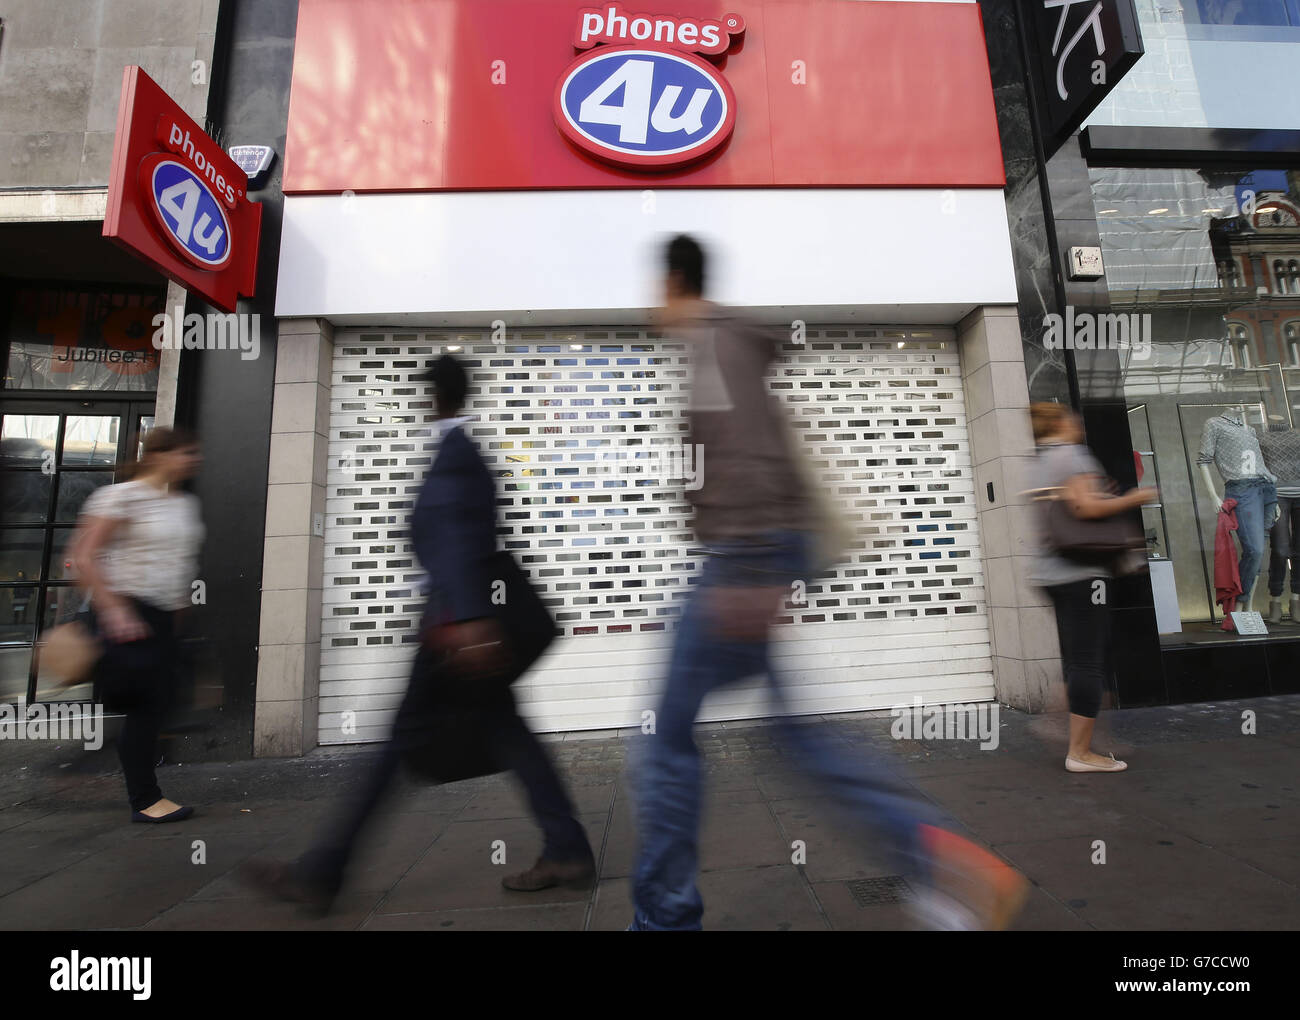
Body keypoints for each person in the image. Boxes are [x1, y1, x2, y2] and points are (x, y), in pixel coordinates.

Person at [628, 234, 1027, 931]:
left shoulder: (712, 346)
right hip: (753, 556)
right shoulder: (728, 345)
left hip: (739, 559)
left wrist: (751, 571)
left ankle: (663, 919)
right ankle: (942, 859)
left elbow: (745, 454)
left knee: (664, 740)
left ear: (672, 285)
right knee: (801, 740)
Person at [243, 354, 594, 912]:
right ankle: (568, 848)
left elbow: (458, 539)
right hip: (465, 626)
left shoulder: (455, 457)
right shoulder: (463, 452)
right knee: (510, 734)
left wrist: (467, 618)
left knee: (396, 750)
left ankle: (320, 873)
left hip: (454, 633)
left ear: (435, 396)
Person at [68, 427, 205, 822]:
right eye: (187, 452)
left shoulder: (182, 503)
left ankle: (136, 787)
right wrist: (115, 610)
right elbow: (84, 556)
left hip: (163, 615)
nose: (194, 460)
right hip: (129, 611)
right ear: (160, 455)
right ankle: (145, 800)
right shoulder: (121, 497)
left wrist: (178, 612)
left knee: (160, 702)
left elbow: (178, 561)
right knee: (147, 706)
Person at [1028, 402, 1158, 773]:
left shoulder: (1038, 462)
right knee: (1089, 661)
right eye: (1072, 418)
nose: (1078, 422)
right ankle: (1080, 752)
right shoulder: (1073, 456)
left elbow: (1061, 513)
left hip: (1051, 573)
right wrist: (1137, 496)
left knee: (1078, 657)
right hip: (1084, 573)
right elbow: (1085, 509)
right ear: (1060, 423)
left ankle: (1072, 728)